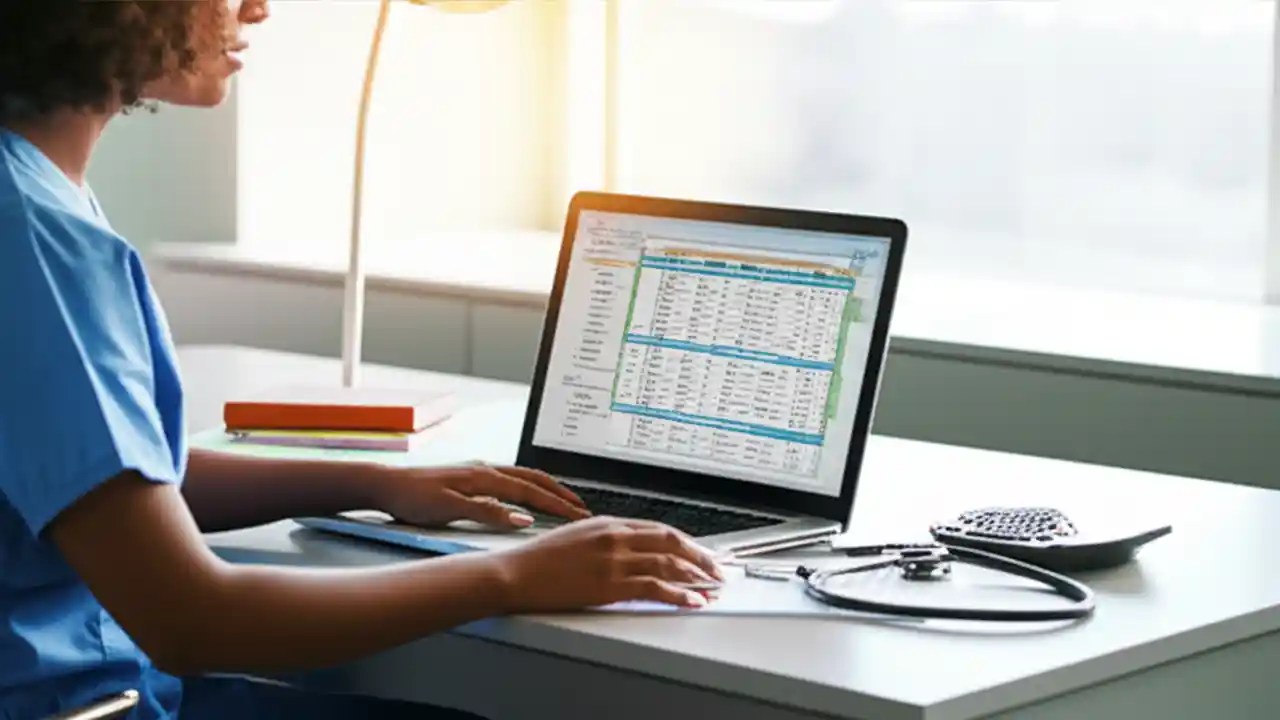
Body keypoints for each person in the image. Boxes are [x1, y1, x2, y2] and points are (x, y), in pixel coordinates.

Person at [0, 1, 723, 717]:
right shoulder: (40, 245)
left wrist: (371, 482)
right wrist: (515, 574)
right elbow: (190, 619)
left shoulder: (29, 187)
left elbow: (111, 490)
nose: (257, 7)